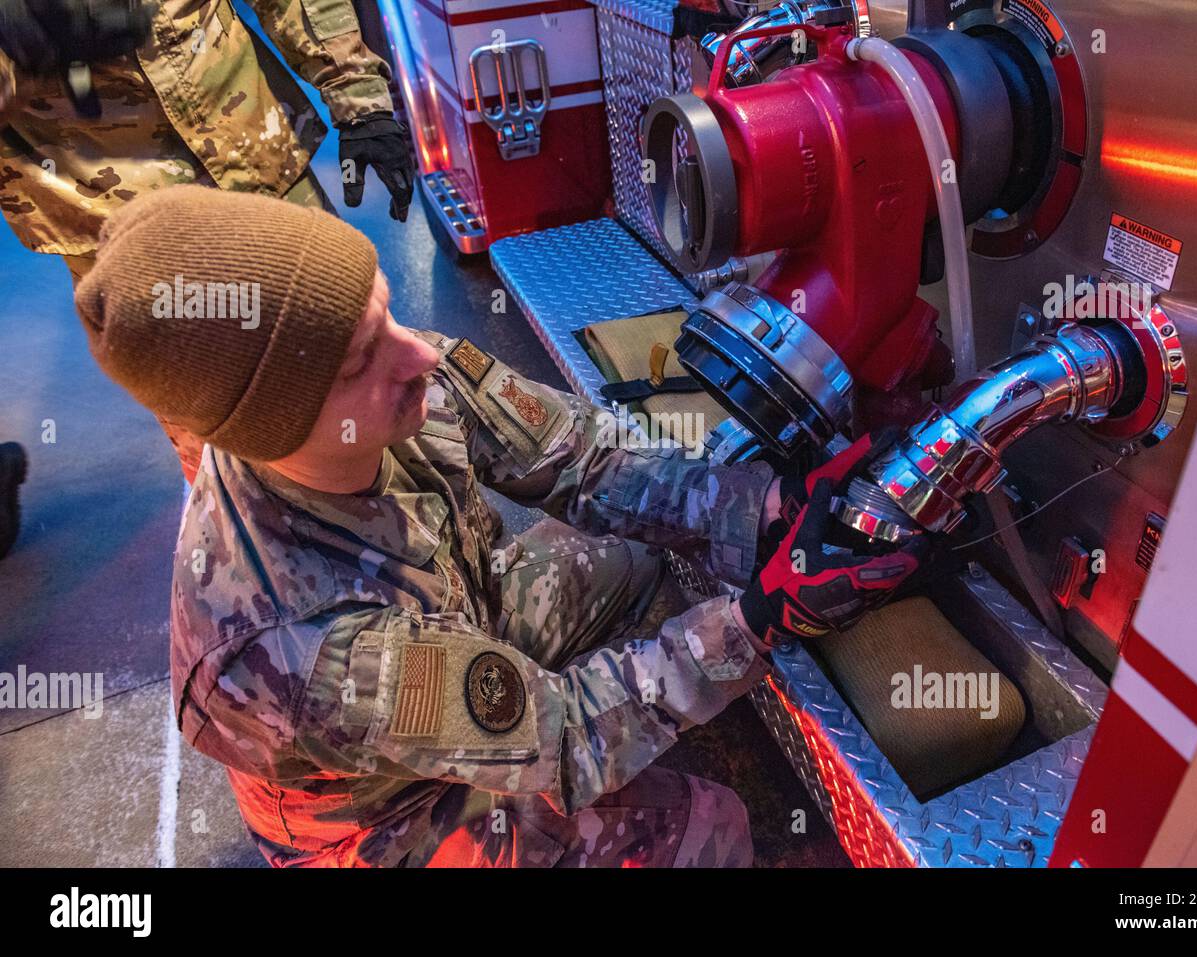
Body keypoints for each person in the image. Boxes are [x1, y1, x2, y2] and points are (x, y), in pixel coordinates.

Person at [73, 186, 922, 867]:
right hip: (384, 823)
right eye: (363, 359)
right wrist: (757, 622)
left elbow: (585, 457)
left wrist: (762, 505)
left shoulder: (388, 381)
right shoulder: (299, 648)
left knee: (643, 556)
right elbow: (564, 734)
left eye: (388, 313)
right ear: (281, 426)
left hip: (455, 625)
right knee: (709, 827)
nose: (423, 355)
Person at [0, 0, 414, 479]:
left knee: (364, 365)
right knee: (223, 444)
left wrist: (359, 99)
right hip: (121, 228)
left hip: (258, 160)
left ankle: (429, 522)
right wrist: (16, 50)